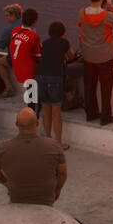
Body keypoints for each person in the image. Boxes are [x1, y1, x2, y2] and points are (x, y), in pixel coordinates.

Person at [0, 108, 68, 205]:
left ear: (16, 124)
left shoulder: (3, 148)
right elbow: (62, 173)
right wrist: (57, 190)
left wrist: (6, 183)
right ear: (37, 123)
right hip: (46, 199)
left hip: (17, 198)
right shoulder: (54, 146)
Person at [77, 0, 113, 126]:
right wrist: (111, 6)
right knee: (106, 88)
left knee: (90, 86)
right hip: (105, 56)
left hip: (88, 55)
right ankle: (105, 116)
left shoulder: (81, 13)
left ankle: (91, 113)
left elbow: (80, 25)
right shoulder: (107, 15)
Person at [38, 21, 74, 150]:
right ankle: (58, 143)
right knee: (56, 112)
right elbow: (71, 56)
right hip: (54, 78)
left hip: (41, 76)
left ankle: (47, 140)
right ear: (63, 32)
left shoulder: (45, 43)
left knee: (45, 110)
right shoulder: (64, 42)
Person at [8, 7, 42, 111]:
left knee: (31, 94)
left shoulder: (15, 31)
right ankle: (33, 114)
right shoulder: (34, 36)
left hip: (17, 68)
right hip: (29, 72)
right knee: (33, 98)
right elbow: (38, 56)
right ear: (35, 21)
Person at [0, 4, 23, 97]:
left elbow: (1, 44)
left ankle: (9, 88)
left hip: (17, 58)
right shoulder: (28, 25)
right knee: (1, 57)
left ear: (13, 15)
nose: (6, 18)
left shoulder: (10, 29)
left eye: (7, 15)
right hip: (28, 56)